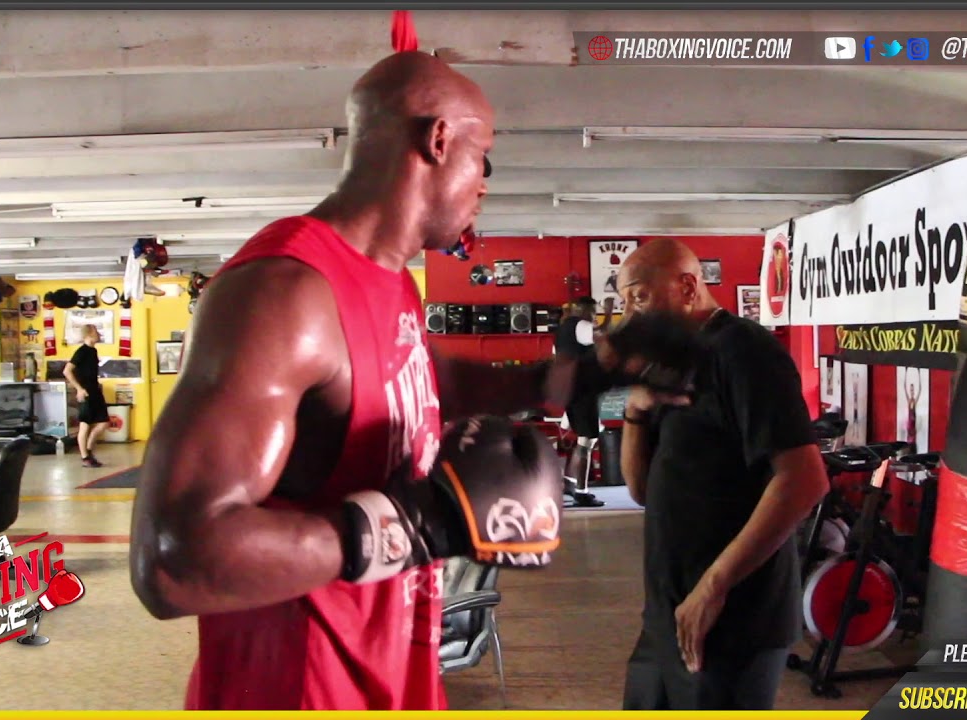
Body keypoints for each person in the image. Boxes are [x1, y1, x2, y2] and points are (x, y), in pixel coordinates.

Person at [127, 51, 688, 711]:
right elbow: (173, 559)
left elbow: (417, 375)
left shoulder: (390, 280)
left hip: (388, 669)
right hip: (301, 690)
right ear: (439, 140)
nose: (484, 182)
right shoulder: (282, 295)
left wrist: (565, 377)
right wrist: (419, 527)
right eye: (484, 157)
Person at [616, 239, 830, 710]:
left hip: (729, 618)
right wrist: (634, 409)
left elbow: (805, 479)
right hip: (669, 616)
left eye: (638, 296)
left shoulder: (742, 350)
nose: (629, 313)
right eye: (622, 301)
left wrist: (712, 589)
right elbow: (642, 490)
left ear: (688, 286)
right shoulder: (674, 363)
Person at [553, 296, 614, 506]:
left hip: (569, 389)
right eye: (593, 311)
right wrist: (609, 312)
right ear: (585, 310)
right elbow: (602, 334)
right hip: (583, 391)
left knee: (580, 439)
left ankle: (569, 482)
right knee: (587, 442)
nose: (594, 316)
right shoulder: (581, 325)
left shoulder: (562, 331)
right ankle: (582, 491)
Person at [64, 324, 108, 468]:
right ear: (89, 334)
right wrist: (79, 389)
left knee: (103, 423)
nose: (99, 334)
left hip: (95, 390)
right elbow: (67, 371)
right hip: (86, 392)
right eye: (96, 332)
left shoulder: (93, 351)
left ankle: (88, 449)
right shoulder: (81, 351)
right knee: (85, 426)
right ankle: (85, 457)